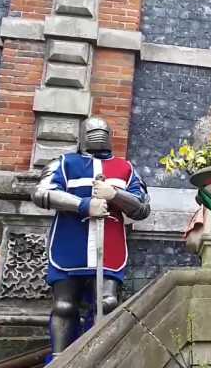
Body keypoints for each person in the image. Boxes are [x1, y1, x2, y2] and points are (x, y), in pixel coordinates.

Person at [32, 117, 151, 357]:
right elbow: (42, 192)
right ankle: (60, 360)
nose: (98, 137)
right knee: (64, 305)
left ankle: (98, 358)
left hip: (110, 245)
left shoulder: (125, 168)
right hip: (70, 241)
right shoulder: (64, 163)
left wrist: (114, 194)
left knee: (106, 304)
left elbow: (142, 207)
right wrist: (84, 205)